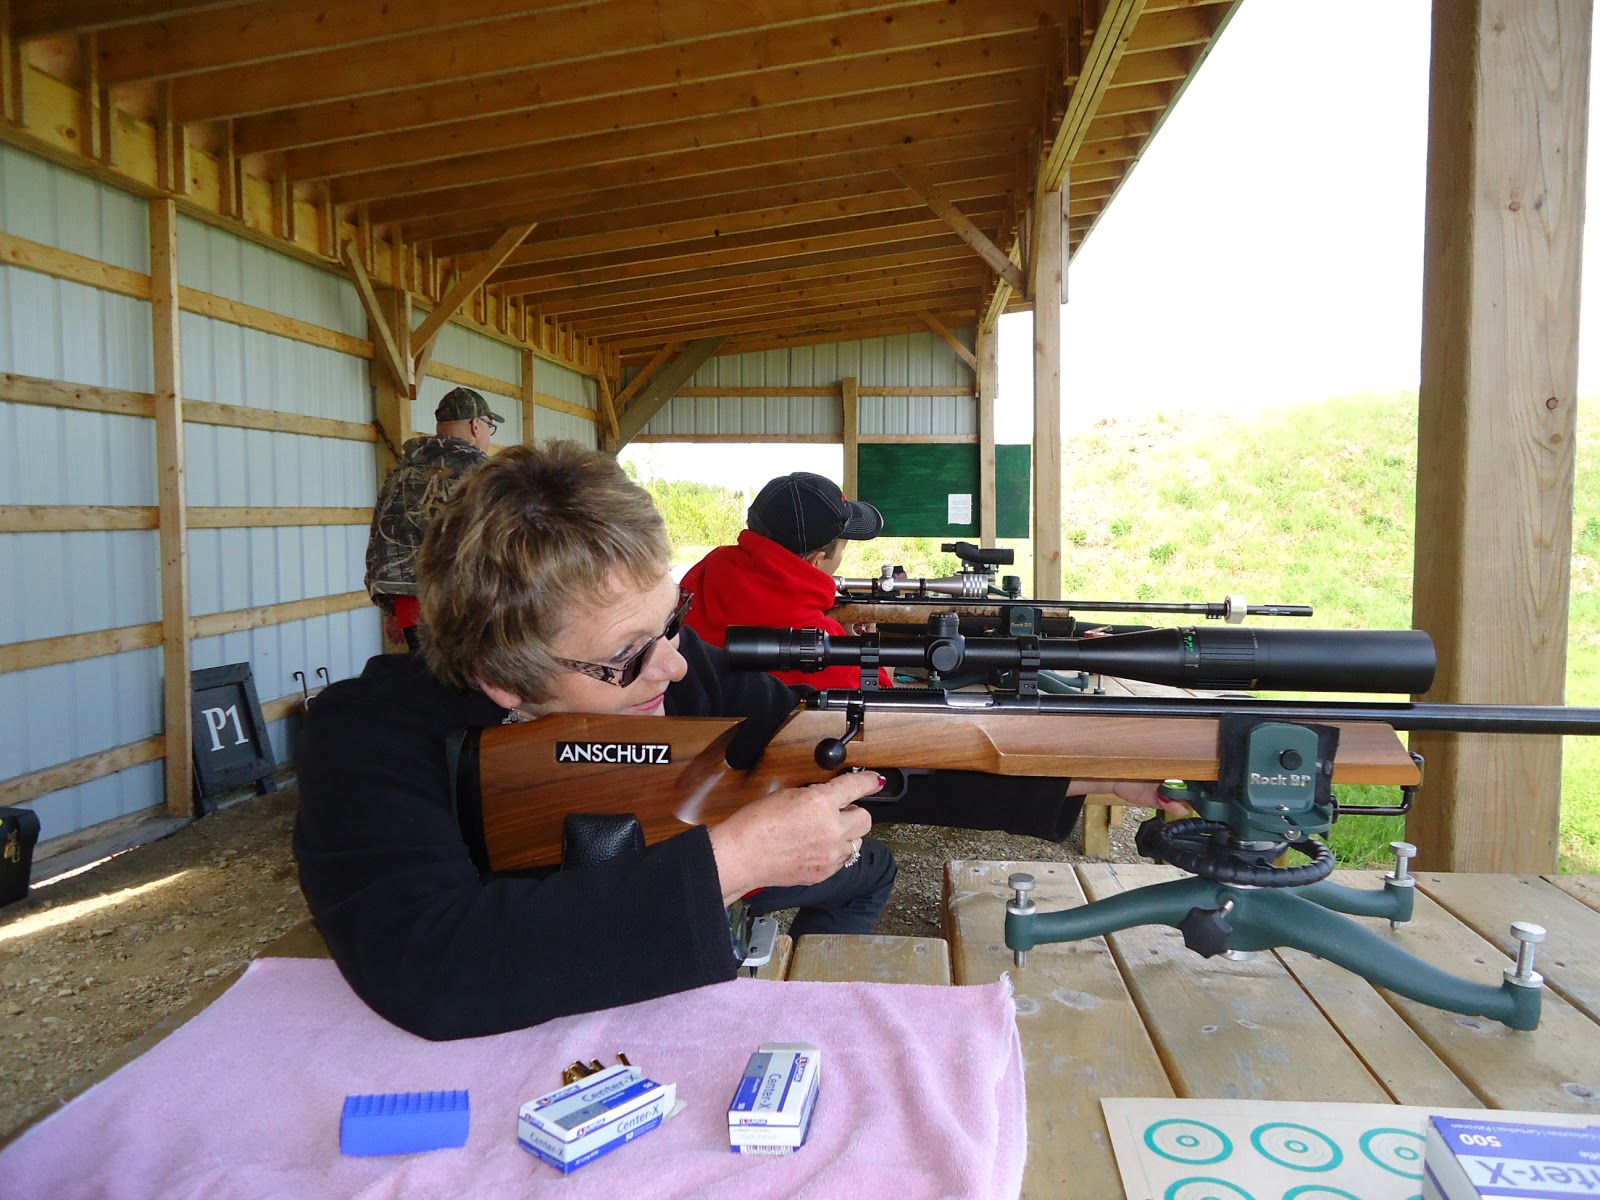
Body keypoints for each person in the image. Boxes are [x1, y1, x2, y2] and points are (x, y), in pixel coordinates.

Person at [295, 441, 895, 1041]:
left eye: (672, 622)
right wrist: (731, 862)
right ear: (504, 679)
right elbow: (433, 967)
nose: (675, 666)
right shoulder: (368, 737)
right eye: (626, 654)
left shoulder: (669, 674)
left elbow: (833, 739)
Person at [681, 471, 1169, 842]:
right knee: (935, 771)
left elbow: (759, 616)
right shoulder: (819, 640)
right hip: (762, 796)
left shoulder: (702, 576)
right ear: (818, 558)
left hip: (701, 756)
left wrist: (840, 631)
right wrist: (876, 660)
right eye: (844, 543)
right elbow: (884, 738)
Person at [680, 470, 892, 690]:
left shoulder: (706, 571)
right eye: (842, 549)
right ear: (816, 561)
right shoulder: (819, 644)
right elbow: (883, 704)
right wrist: (864, 645)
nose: (841, 556)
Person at [363, 386, 500, 650]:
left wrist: (391, 610)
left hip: (410, 608)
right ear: (475, 425)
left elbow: (381, 542)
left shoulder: (401, 474)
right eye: (488, 426)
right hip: (469, 607)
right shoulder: (485, 476)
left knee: (426, 683)